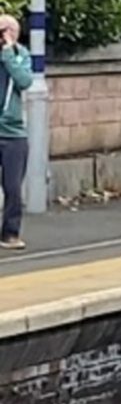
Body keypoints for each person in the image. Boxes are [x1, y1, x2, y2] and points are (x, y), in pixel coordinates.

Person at [0, 15, 33, 250]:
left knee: (13, 188)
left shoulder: (21, 55)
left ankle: (10, 234)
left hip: (12, 133)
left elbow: (24, 81)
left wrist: (9, 53)